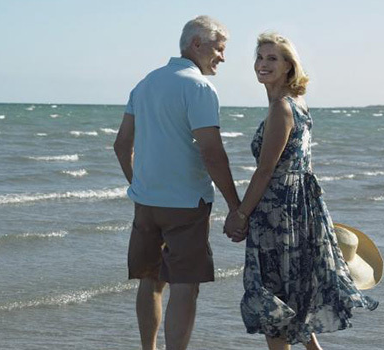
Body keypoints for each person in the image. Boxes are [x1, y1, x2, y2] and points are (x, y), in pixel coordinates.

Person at [223, 32, 378, 350]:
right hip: (299, 208)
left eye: (272, 58)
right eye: (260, 57)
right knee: (291, 297)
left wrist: (240, 214)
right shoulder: (296, 103)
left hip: (278, 213)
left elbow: (266, 171)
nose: (263, 64)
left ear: (289, 67)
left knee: (273, 304)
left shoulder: (282, 107)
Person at [114, 15, 242, 350]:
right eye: (219, 48)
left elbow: (121, 145)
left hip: (146, 205)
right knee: (185, 285)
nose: (223, 57)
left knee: (150, 281)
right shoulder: (198, 86)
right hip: (185, 206)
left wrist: (139, 184)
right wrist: (236, 206)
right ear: (196, 44)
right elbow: (213, 153)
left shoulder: (144, 83)